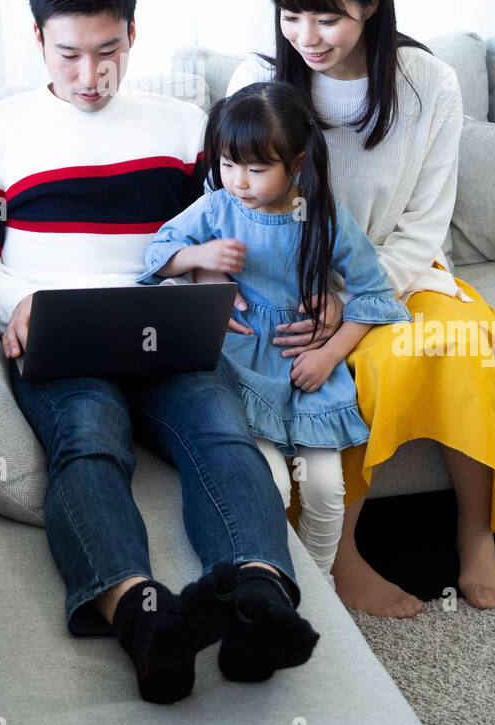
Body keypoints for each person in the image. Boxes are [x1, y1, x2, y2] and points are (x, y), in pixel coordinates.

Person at [0, 0, 319, 705]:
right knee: (86, 442)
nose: (89, 76)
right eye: (70, 53)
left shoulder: (187, 129)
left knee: (220, 432)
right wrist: (17, 303)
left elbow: (227, 227)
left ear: (133, 35)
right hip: (60, 324)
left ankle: (261, 598)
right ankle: (144, 616)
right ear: (38, 39)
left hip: (168, 323)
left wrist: (218, 281)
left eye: (107, 51)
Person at [226, 0, 495, 617]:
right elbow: (237, 202)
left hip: (401, 274)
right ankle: (342, 555)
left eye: (328, 18)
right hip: (293, 284)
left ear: (372, 0)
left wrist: (351, 298)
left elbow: (423, 227)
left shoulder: (428, 83)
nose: (307, 39)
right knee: (364, 376)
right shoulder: (256, 80)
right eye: (292, 17)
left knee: (467, 350)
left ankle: (477, 537)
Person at [136, 80, 414, 587]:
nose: (239, 180)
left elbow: (374, 297)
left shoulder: (325, 220)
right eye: (227, 164)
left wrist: (330, 356)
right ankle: (283, 587)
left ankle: (323, 586)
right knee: (270, 484)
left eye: (257, 168)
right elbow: (158, 251)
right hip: (241, 360)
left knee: (328, 487)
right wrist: (199, 258)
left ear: (298, 163)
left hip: (307, 363)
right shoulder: (218, 208)